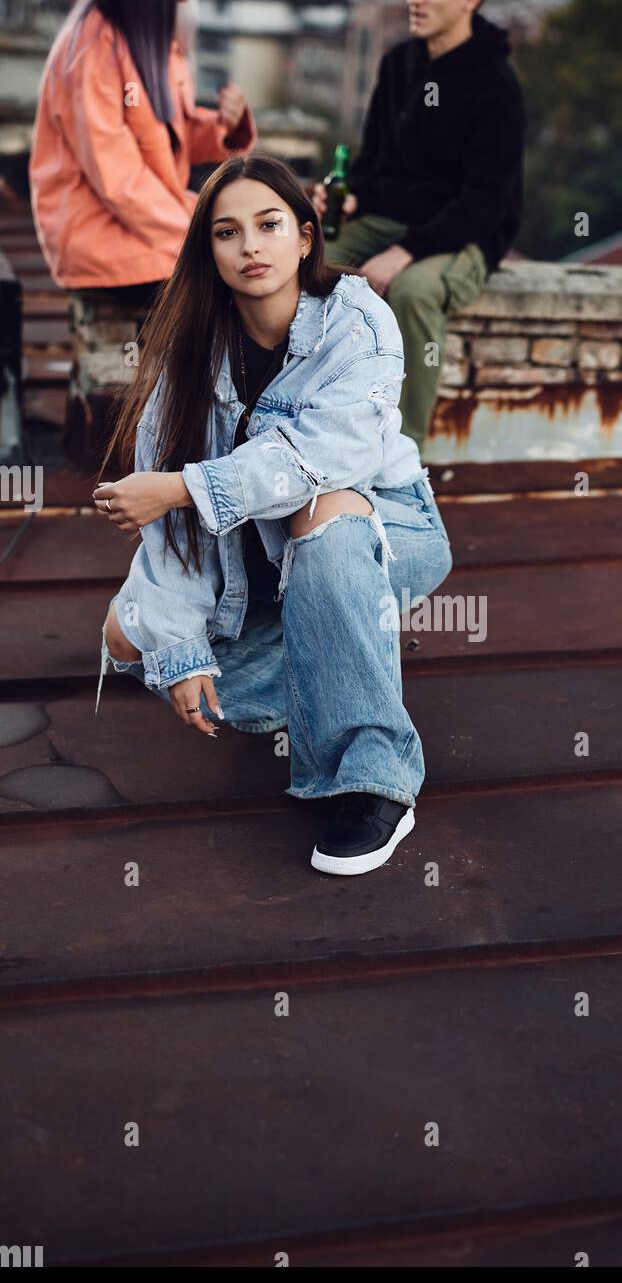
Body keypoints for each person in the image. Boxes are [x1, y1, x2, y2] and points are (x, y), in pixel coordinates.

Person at [92, 154, 453, 877]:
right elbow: (174, 539)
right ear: (210, 251)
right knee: (128, 641)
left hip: (384, 524)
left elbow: (331, 454)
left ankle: (371, 779)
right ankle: (332, 658)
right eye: (227, 232)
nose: (250, 246)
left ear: (307, 237)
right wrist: (183, 651)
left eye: (269, 225)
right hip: (252, 564)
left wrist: (183, 486)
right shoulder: (190, 352)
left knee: (323, 514)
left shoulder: (358, 319)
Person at [313, 0, 525, 455]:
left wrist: (405, 252)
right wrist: (349, 197)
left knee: (413, 291)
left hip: (464, 234)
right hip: (389, 220)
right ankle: (315, 425)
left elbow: (486, 201)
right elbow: (371, 166)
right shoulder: (399, 63)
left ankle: (404, 457)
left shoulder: (496, 83)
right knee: (307, 267)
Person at [29, 0, 256, 317]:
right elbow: (118, 180)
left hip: (147, 230)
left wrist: (228, 126)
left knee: (262, 266)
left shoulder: (152, 40)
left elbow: (167, 137)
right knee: (245, 282)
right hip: (107, 242)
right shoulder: (93, 48)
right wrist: (200, 230)